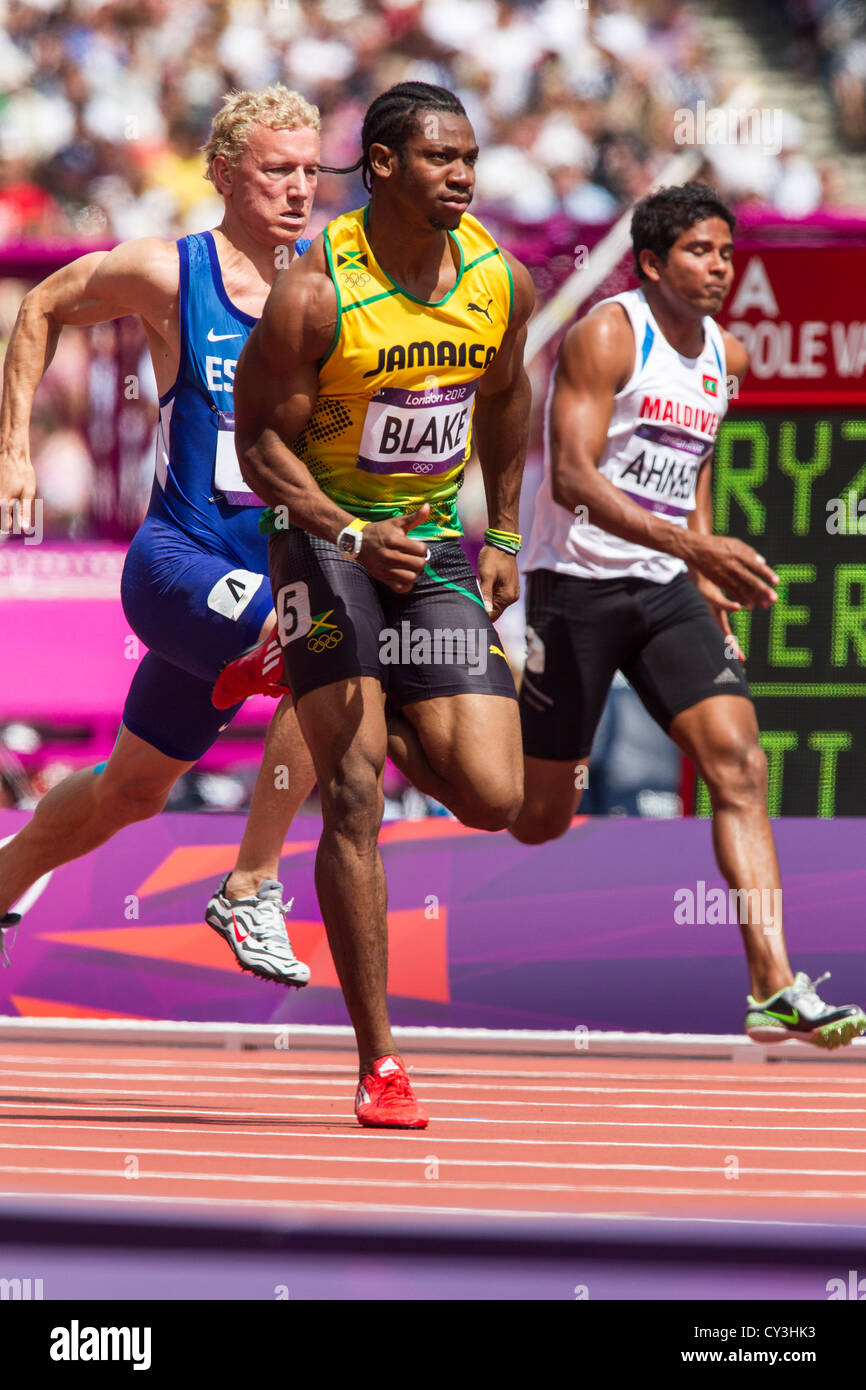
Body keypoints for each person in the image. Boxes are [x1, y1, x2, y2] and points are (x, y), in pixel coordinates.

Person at [233, 81, 535, 1126]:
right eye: (440, 159)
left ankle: (344, 688)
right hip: (325, 539)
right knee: (352, 788)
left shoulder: (497, 280)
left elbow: (503, 398)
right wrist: (345, 533)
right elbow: (259, 446)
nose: (461, 176)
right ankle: (379, 1063)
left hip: (428, 544)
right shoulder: (317, 288)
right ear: (381, 167)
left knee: (496, 797)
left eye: (470, 159)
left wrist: (498, 535)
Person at [511, 181, 866, 1050]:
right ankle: (420, 723)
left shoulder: (726, 357)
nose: (720, 269)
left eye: (727, 253)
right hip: (575, 585)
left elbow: (694, 463)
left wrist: (698, 568)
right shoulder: (607, 333)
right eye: (701, 253)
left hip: (665, 587)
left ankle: (773, 985)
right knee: (536, 815)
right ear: (651, 263)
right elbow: (573, 480)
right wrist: (698, 550)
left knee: (739, 762)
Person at [0, 87, 322, 986]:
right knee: (321, 639)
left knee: (131, 793)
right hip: (180, 563)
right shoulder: (174, 273)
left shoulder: (332, 294)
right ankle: (251, 887)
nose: (297, 190)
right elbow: (41, 309)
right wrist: (12, 452)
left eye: (308, 171)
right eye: (274, 171)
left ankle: (2, 881)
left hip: (264, 576)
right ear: (223, 172)